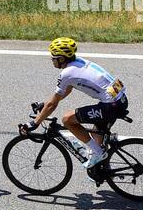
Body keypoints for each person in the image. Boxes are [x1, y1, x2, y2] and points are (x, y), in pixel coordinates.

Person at [21, 37, 127, 169]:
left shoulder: (66, 73)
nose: (52, 60)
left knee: (67, 119)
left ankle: (99, 154)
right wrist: (45, 103)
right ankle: (102, 169)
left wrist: (34, 123)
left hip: (110, 106)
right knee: (96, 134)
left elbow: (52, 105)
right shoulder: (78, 62)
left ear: (62, 59)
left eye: (54, 57)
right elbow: (67, 90)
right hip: (120, 99)